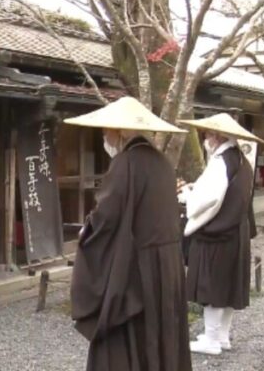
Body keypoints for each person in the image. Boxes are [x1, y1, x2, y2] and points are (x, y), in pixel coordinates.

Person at [65, 97, 192, 371]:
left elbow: (107, 216)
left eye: (106, 131)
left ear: (119, 131)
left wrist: (88, 230)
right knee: (161, 333)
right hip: (167, 264)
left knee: (130, 334)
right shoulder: (162, 162)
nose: (105, 137)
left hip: (138, 266)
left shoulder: (125, 163)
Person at [178, 114, 263, 355]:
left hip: (218, 231)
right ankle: (221, 336)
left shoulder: (221, 161)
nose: (205, 138)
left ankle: (211, 340)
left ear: (217, 136)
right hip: (236, 230)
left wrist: (188, 196)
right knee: (227, 284)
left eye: (208, 134)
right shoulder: (240, 160)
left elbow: (209, 198)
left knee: (212, 285)